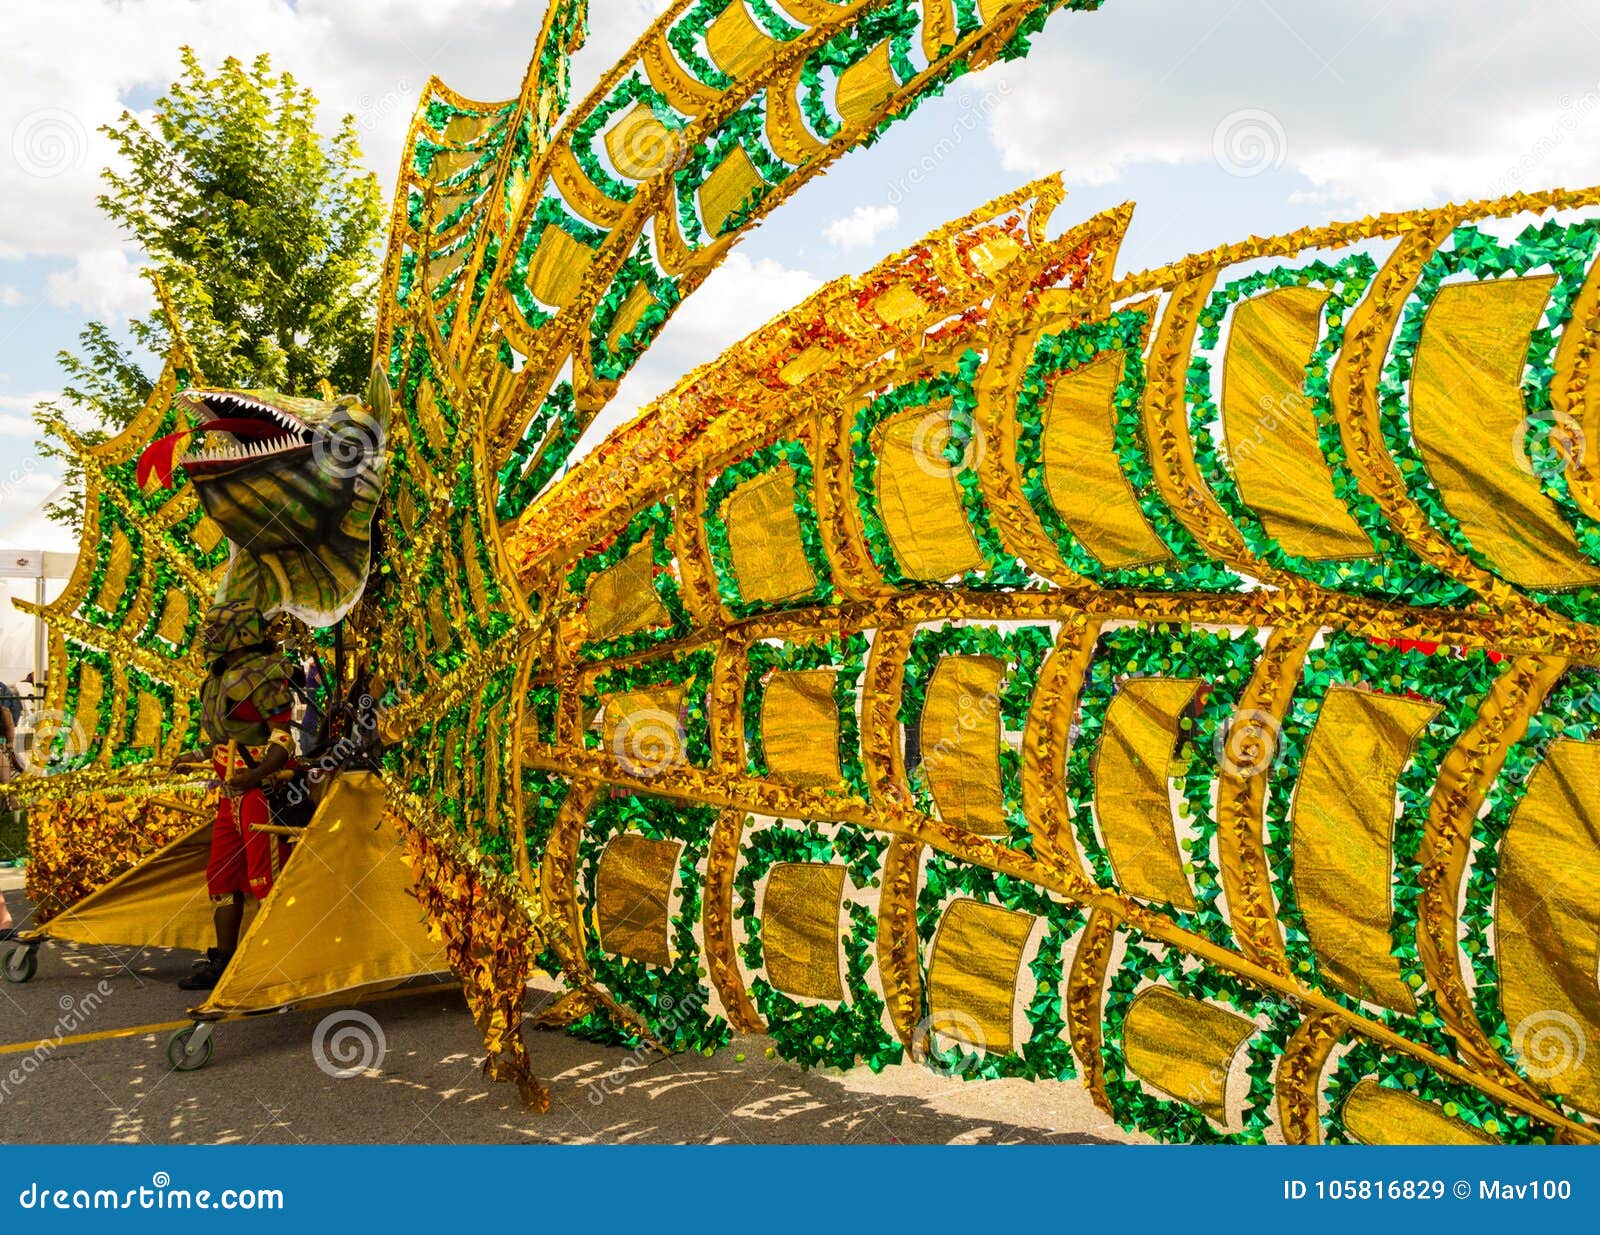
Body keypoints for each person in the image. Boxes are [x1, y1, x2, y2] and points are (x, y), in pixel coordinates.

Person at [170, 601, 296, 991]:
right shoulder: (221, 675)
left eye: (217, 630)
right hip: (231, 796)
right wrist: (196, 754)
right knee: (221, 878)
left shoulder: (264, 675)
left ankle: (276, 965)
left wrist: (258, 773)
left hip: (259, 794)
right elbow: (227, 738)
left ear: (241, 634)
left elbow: (282, 736)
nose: (209, 637)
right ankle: (224, 961)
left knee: (266, 880)